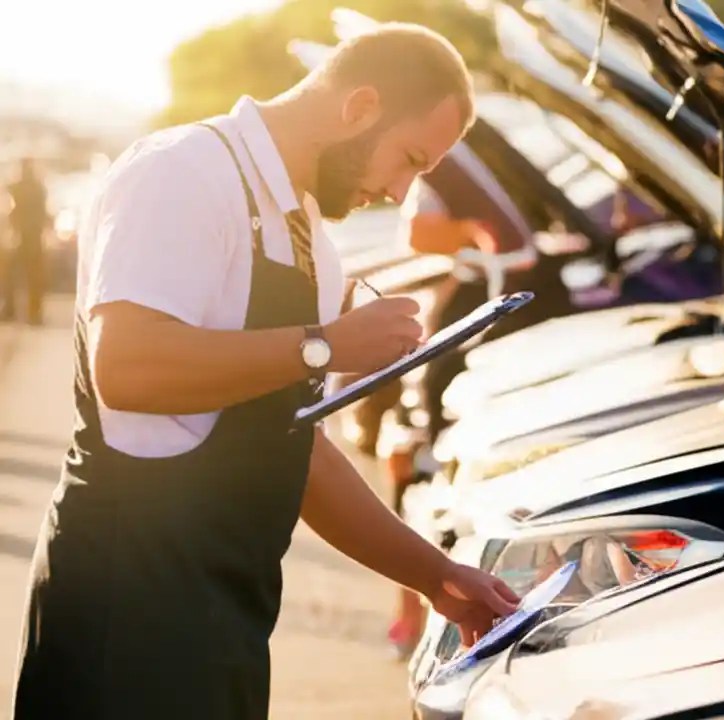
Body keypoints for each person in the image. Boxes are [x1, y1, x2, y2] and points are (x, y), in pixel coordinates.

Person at [11, 22, 520, 719]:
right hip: (124, 612)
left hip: (228, 620)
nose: (402, 194)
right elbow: (125, 367)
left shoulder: (315, 245)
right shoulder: (181, 172)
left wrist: (436, 576)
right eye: (408, 160)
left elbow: (293, 444)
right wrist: (325, 345)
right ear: (359, 107)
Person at [2, 158, 50, 325]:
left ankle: (16, 310)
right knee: (28, 276)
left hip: (23, 236)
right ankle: (29, 311)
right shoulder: (36, 188)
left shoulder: (18, 188)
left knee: (17, 276)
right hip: (28, 237)